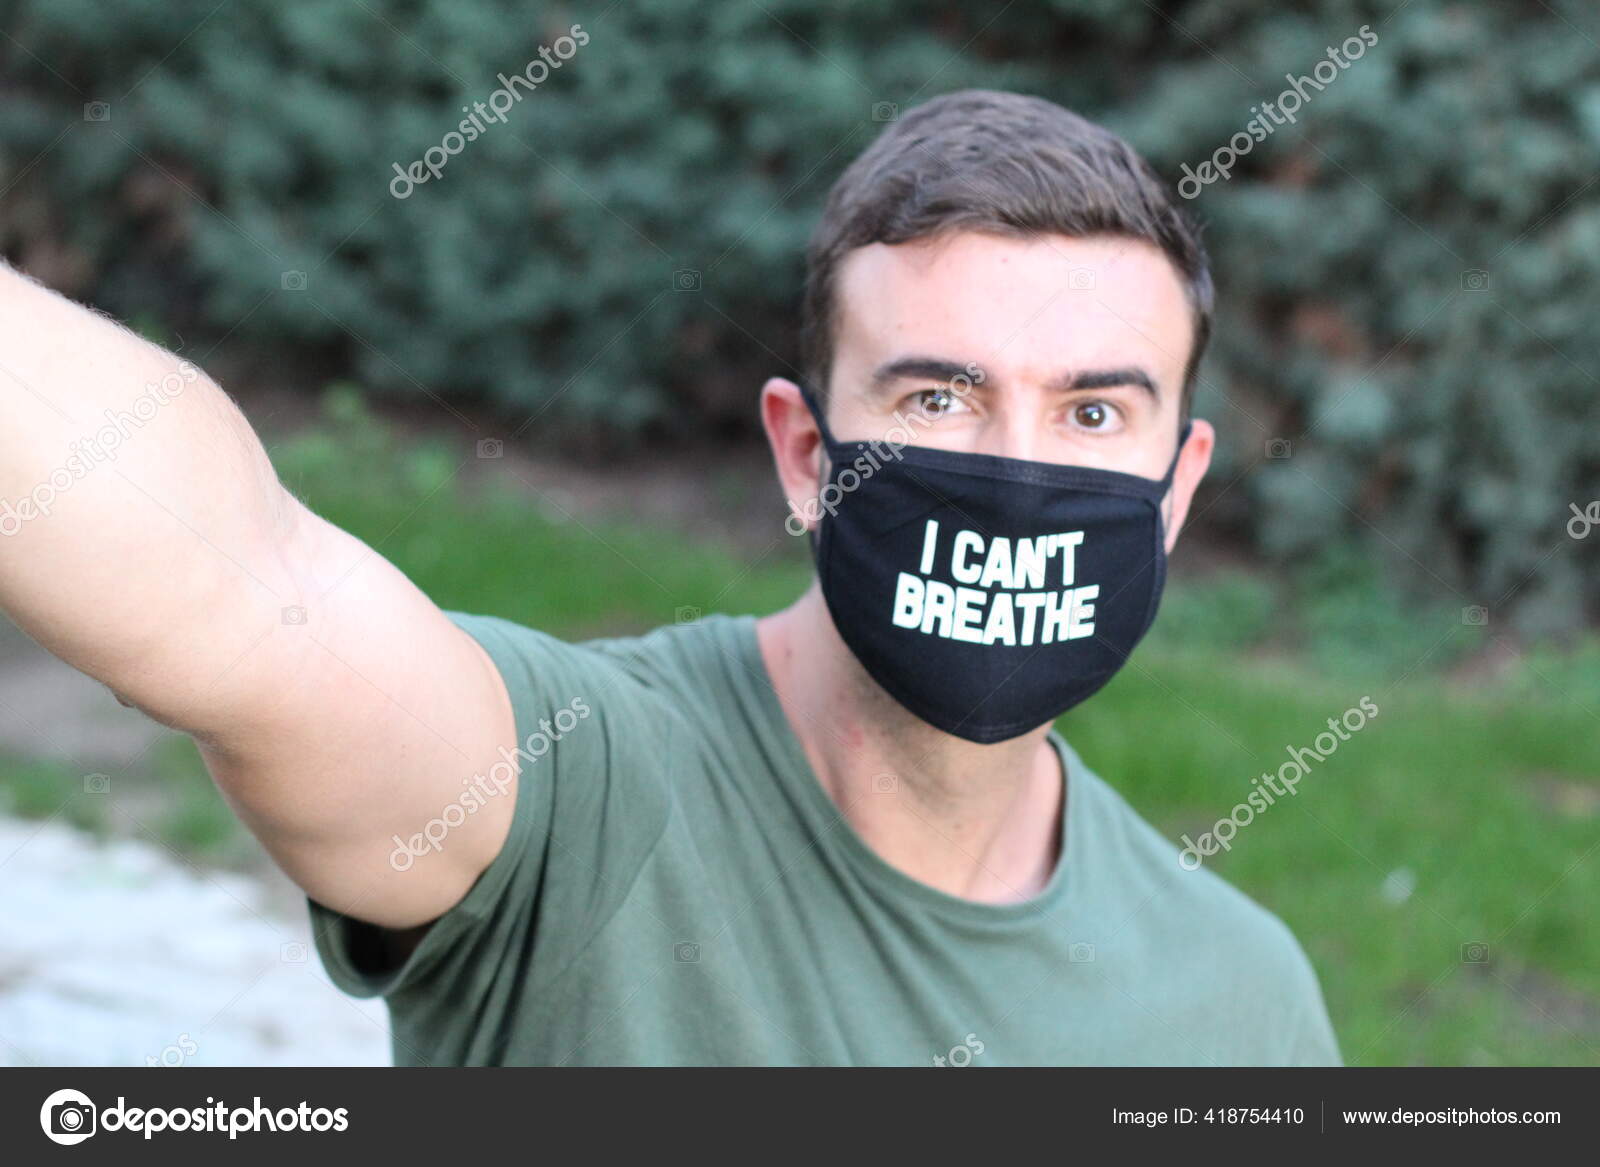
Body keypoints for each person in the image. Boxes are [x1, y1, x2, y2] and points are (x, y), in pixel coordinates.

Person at [0, 89, 1339, 1066]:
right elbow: (246, 595)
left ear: (1178, 489)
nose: (1019, 471)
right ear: (807, 455)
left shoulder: (1240, 1008)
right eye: (938, 397)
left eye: (1095, 416)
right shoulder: (577, 808)